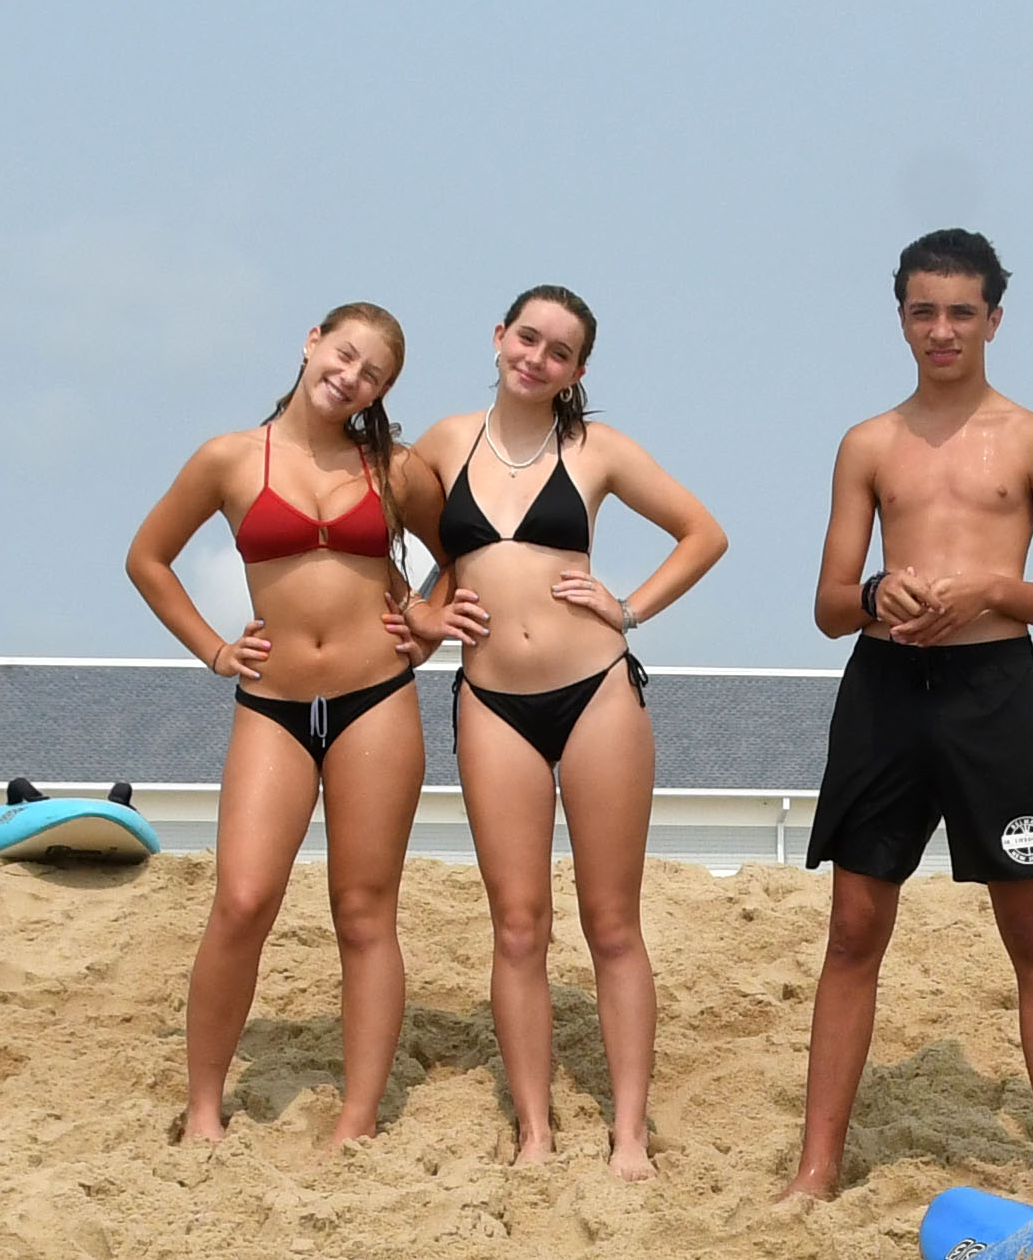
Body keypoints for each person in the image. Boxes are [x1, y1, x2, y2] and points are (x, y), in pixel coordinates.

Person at [792, 231, 1033, 1206]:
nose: (941, 330)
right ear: (900, 317)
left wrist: (990, 590)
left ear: (993, 319)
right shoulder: (869, 443)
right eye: (923, 311)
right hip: (886, 693)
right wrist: (880, 592)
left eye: (960, 312)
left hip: (993, 693)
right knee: (852, 926)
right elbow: (829, 601)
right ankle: (815, 1170)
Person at [403, 285, 728, 1176]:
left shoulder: (597, 449)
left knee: (612, 923)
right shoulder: (440, 442)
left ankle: (628, 1134)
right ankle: (535, 1132)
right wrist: (423, 618)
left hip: (596, 691)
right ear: (499, 335)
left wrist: (628, 607)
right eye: (527, 337)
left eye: (559, 351)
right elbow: (403, 548)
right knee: (517, 927)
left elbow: (704, 534)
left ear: (577, 371)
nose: (536, 358)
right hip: (490, 700)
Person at [126, 303, 445, 1146]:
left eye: (372, 374)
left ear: (382, 391)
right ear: (312, 342)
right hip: (271, 703)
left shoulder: (395, 470)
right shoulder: (230, 458)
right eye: (344, 355)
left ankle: (357, 1118)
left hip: (376, 699)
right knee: (241, 899)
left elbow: (465, 558)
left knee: (365, 911)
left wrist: (425, 624)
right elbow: (146, 558)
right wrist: (213, 650)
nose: (351, 377)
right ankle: (203, 1110)